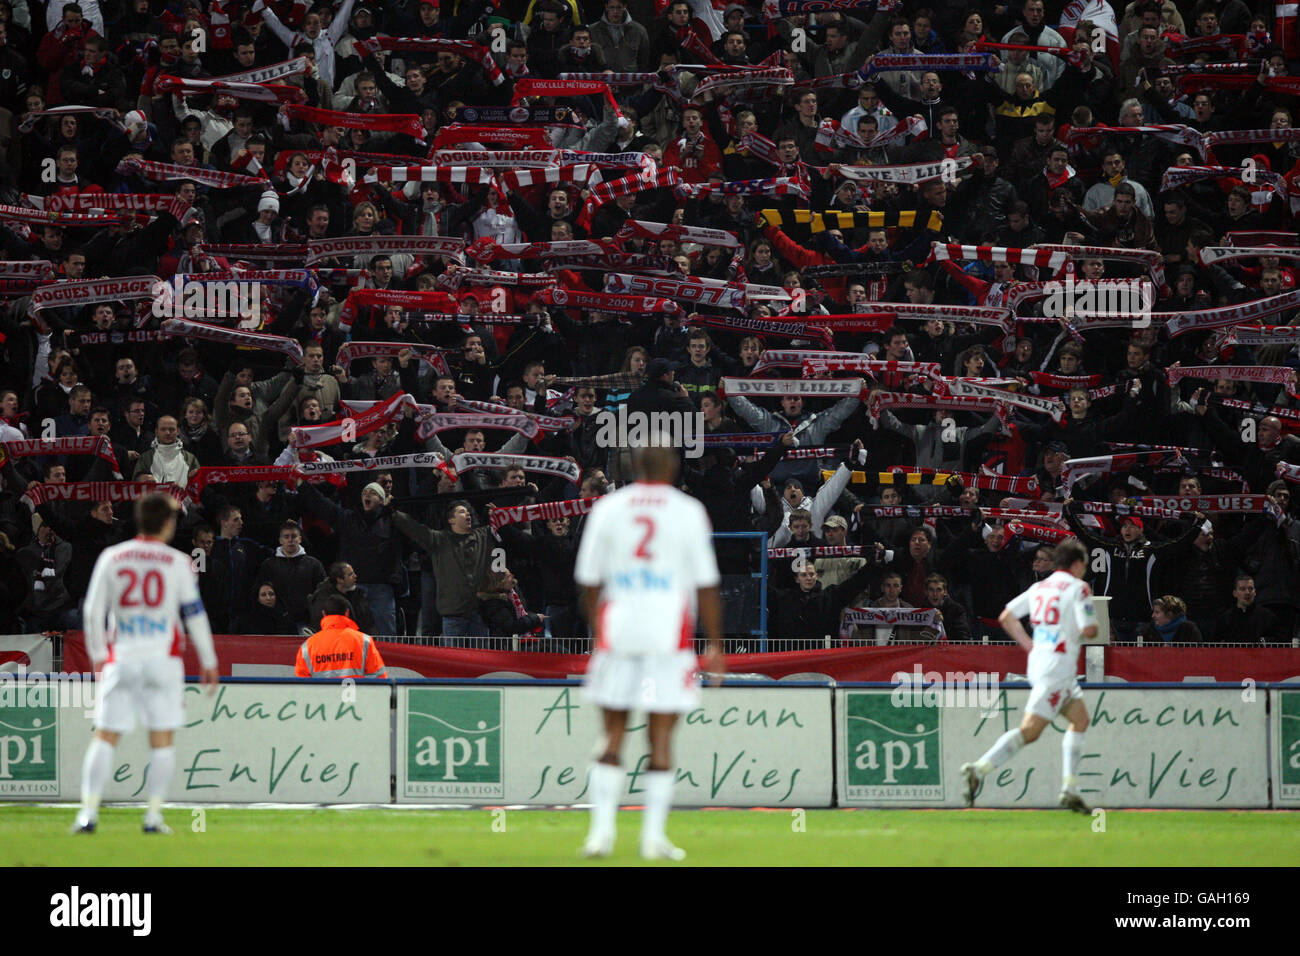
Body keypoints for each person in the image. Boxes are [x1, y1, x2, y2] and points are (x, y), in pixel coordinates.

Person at [573, 436, 724, 860]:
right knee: (660, 742)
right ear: (673, 467)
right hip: (667, 640)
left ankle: (600, 836)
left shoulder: (608, 508)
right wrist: (715, 646)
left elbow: (588, 581)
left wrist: (598, 628)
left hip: (618, 635)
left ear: (635, 465)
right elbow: (707, 585)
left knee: (611, 735)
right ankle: (652, 839)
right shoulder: (688, 511)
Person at [73, 492, 220, 834]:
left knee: (106, 736)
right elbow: (193, 614)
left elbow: (93, 611)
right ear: (168, 523)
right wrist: (209, 659)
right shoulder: (178, 563)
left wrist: (97, 657)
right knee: (162, 739)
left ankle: (87, 815)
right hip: (162, 661)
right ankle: (153, 817)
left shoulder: (113, 556)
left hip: (121, 658)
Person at [959, 538, 1097, 814]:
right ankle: (979, 768)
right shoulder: (1079, 588)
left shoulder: (1040, 587)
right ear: (1078, 564)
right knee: (1031, 731)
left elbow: (1007, 616)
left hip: (1043, 662)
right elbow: (1091, 630)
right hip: (1057, 666)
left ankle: (1070, 788)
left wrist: (1029, 644)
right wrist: (1083, 622)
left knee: (1080, 719)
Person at [294, 593, 389, 678]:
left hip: (322, 697)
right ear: (347, 613)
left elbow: (301, 684)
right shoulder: (364, 641)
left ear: (324, 614)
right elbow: (379, 677)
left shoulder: (308, 646)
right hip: (356, 697)